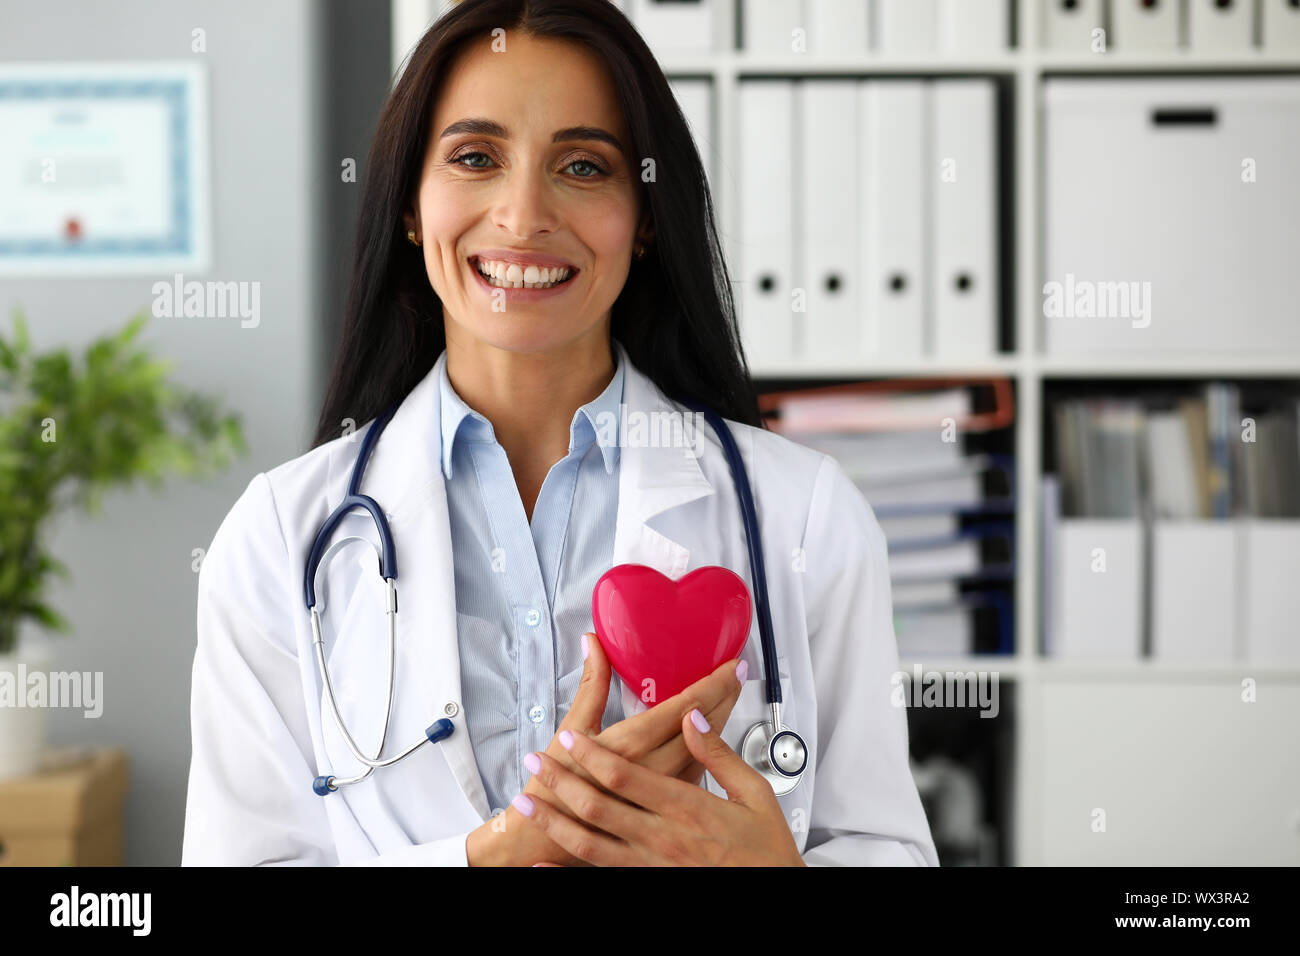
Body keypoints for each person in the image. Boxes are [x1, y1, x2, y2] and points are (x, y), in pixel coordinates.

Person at [182, 0, 938, 867]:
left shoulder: (804, 517)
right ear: (409, 207)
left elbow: (889, 851)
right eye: (475, 158)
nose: (523, 214)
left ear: (646, 216)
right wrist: (491, 856)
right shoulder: (280, 539)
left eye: (582, 166)